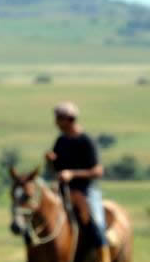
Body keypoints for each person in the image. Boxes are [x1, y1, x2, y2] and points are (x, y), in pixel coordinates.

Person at [45, 101, 107, 249]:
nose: (56, 122)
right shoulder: (61, 140)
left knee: (97, 223)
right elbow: (56, 170)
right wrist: (50, 161)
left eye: (59, 118)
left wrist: (72, 174)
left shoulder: (86, 141)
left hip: (85, 191)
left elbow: (98, 171)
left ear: (70, 120)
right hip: (63, 190)